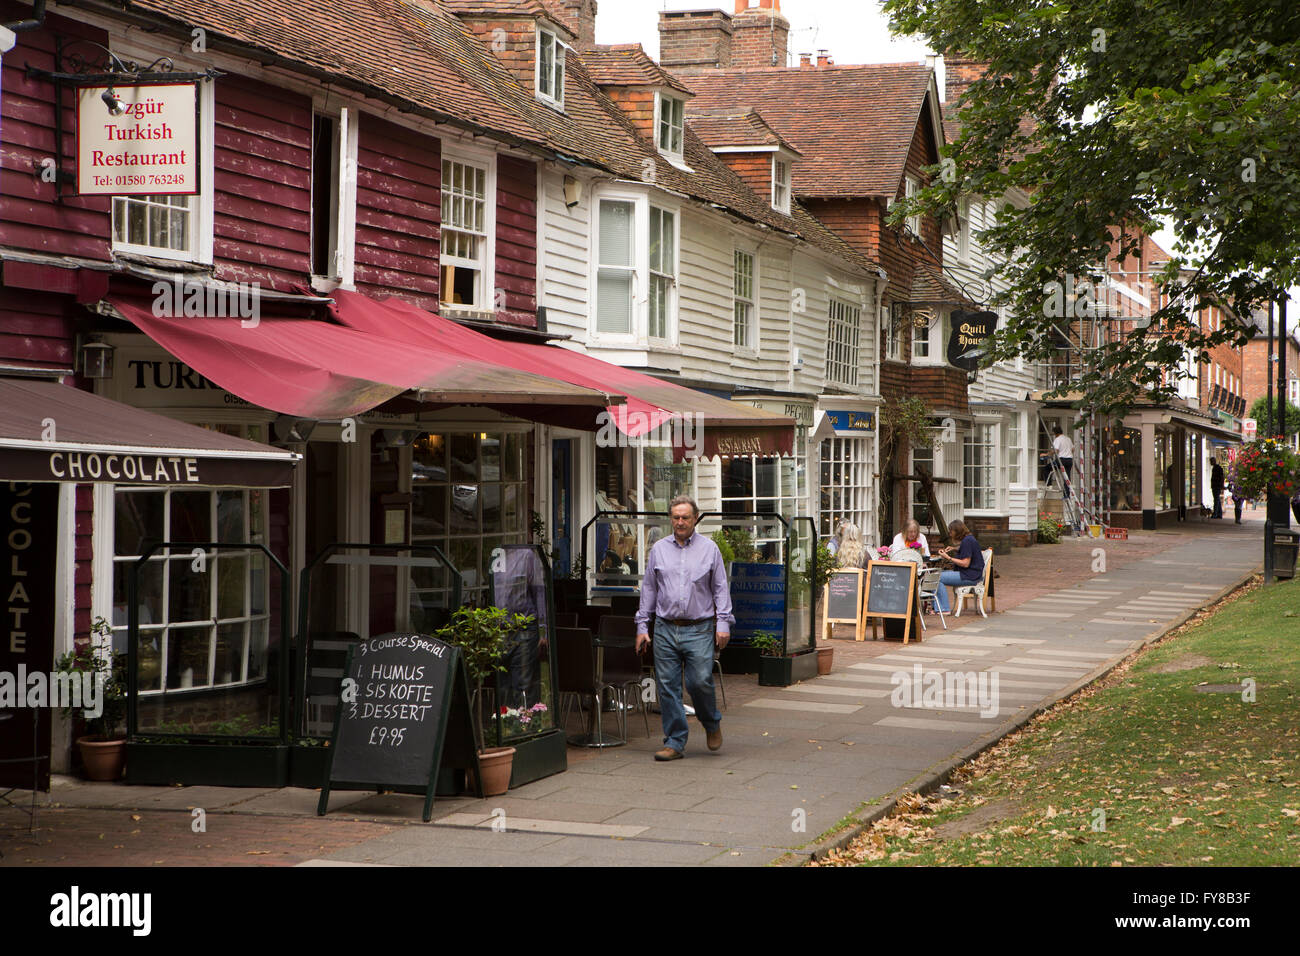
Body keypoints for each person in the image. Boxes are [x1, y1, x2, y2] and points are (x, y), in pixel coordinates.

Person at [635, 495, 733, 761]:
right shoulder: (659, 549)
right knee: (667, 686)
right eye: (676, 517)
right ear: (671, 519)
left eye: (685, 517)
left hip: (699, 627)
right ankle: (675, 741)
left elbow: (720, 589)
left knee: (699, 681)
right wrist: (642, 626)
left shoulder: (709, 549)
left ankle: (711, 722)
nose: (680, 522)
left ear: (695, 519)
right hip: (665, 627)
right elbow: (649, 590)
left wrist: (723, 623)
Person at [932, 520, 985, 614]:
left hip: (969, 576)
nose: (950, 534)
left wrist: (948, 557)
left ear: (957, 531)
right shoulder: (969, 539)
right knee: (936, 575)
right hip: (972, 574)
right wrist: (954, 548)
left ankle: (944, 608)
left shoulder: (967, 541)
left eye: (951, 531)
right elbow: (967, 551)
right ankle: (937, 608)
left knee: (936, 578)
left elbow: (965, 563)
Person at [1052, 425, 1074, 498]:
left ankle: (1049, 484)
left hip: (1062, 460)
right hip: (1069, 460)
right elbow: (1073, 449)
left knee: (1047, 468)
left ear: (1056, 433)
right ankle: (1067, 495)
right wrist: (1067, 452)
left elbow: (1056, 450)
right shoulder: (1068, 439)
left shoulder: (1058, 439)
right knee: (1067, 477)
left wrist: (1046, 454)